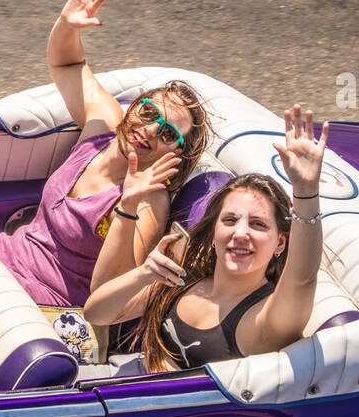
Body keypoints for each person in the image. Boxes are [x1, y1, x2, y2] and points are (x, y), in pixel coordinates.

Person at [0, 0, 212, 315]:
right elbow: (67, 63)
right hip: (4, 255)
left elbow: (115, 295)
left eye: (166, 133)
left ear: (175, 152)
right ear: (134, 106)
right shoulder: (104, 128)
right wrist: (67, 25)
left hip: (43, 305)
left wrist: (128, 205)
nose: (149, 129)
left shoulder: (150, 200)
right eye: (148, 112)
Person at [83, 105, 329, 371]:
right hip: (123, 380)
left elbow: (303, 276)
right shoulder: (185, 277)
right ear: (214, 234)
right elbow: (96, 313)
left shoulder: (266, 318)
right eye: (230, 220)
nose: (241, 233)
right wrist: (144, 273)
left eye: (258, 225)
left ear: (280, 242)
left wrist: (305, 191)